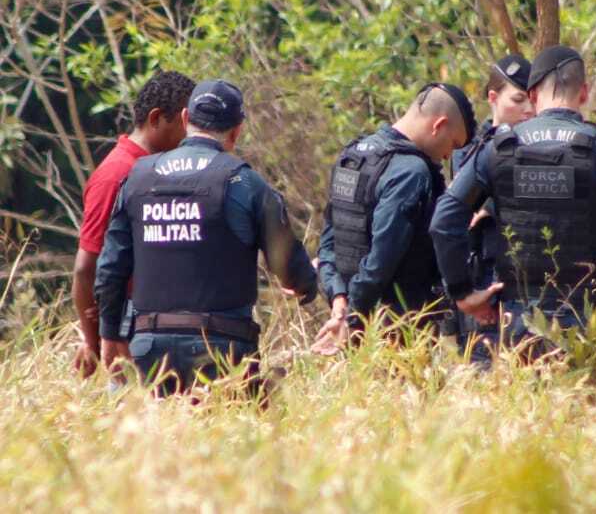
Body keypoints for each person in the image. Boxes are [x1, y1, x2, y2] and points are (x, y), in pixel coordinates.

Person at [430, 45, 596, 356]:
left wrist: (462, 293)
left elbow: (444, 221)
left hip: (517, 327)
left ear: (532, 94)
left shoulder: (497, 150)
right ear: (583, 93)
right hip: (595, 326)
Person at [94, 80, 318, 396]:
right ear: (237, 130)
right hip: (223, 354)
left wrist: (109, 333)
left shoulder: (138, 177)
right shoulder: (246, 182)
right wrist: (307, 283)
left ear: (186, 119)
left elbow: (110, 267)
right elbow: (289, 267)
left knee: (150, 443)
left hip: (148, 350)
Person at [313, 82, 476, 353]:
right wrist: (352, 315)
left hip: (349, 320)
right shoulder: (412, 172)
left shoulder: (353, 155)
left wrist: (339, 301)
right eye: (453, 144)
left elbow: (329, 243)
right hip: (397, 330)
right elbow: (381, 259)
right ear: (439, 125)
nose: (448, 155)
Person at [72, 70, 195, 378]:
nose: (190, 136)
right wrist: (96, 342)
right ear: (156, 118)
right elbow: (86, 267)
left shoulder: (157, 170)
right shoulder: (116, 174)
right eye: (184, 124)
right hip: (127, 340)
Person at [450, 55, 534, 358]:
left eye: (533, 100)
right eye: (519, 99)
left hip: (526, 279)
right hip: (480, 281)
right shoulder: (466, 151)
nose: (528, 109)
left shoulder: (541, 148)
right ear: (493, 98)